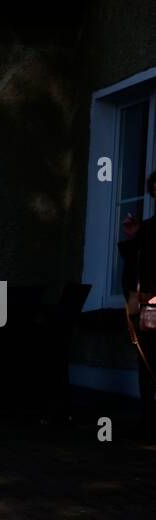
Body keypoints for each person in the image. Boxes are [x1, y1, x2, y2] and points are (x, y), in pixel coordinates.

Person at [118, 169, 156, 432]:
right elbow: (135, 271)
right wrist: (132, 308)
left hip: (153, 303)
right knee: (146, 359)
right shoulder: (148, 229)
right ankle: (148, 419)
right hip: (147, 305)